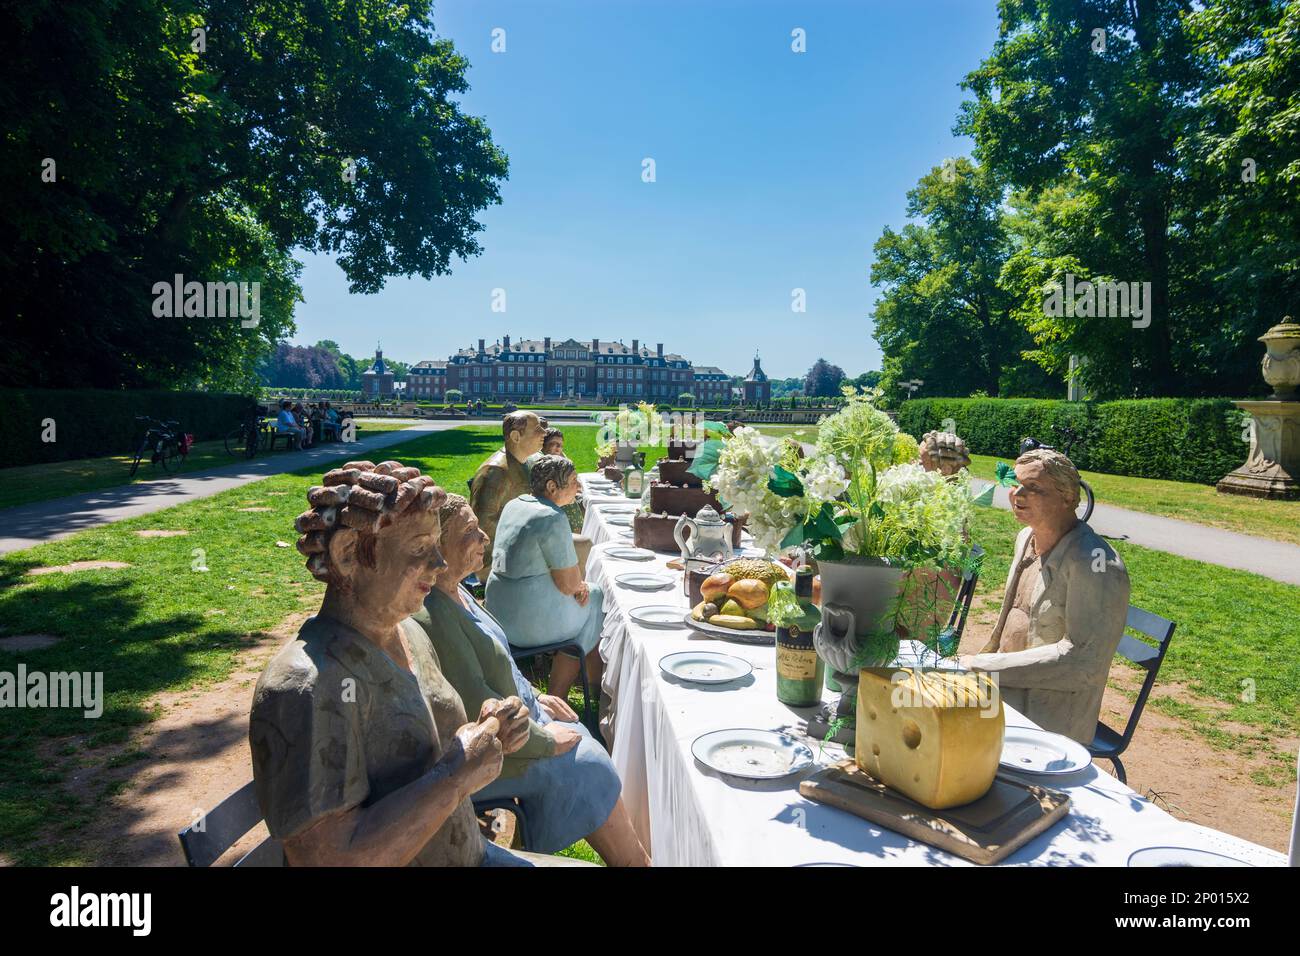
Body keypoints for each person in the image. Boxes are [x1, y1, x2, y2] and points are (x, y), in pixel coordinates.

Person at [248, 459, 587, 866]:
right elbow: (330, 858)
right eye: (420, 548)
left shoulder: (410, 633)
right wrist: (456, 776)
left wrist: (489, 730)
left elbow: (425, 743)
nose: (440, 564)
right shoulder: (305, 686)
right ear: (348, 553)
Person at [416, 493, 650, 864]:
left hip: (518, 719)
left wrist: (536, 699)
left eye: (480, 528)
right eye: (470, 532)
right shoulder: (435, 613)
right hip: (497, 747)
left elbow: (499, 664)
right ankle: (636, 862)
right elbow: (475, 698)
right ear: (437, 545)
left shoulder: (457, 590)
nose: (484, 539)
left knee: (581, 738)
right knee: (588, 764)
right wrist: (543, 741)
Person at [960, 449, 1130, 744]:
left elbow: (1082, 664)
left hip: (1047, 713)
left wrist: (981, 667)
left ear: (1068, 498)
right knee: (912, 698)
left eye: (1034, 488)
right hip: (1002, 686)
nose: (1018, 494)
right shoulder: (1026, 538)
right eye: (1016, 483)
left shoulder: (1094, 562)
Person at [485, 455, 604, 700]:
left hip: (496, 613)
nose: (578, 487)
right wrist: (580, 586)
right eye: (572, 481)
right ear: (552, 486)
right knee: (596, 598)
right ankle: (563, 695)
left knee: (587, 596)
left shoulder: (513, 505)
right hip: (528, 624)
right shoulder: (552, 517)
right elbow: (568, 584)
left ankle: (588, 690)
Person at [468, 411, 546, 577]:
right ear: (516, 437)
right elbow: (482, 525)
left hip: (518, 547)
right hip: (497, 559)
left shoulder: (526, 461)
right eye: (537, 429)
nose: (544, 433)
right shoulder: (496, 472)